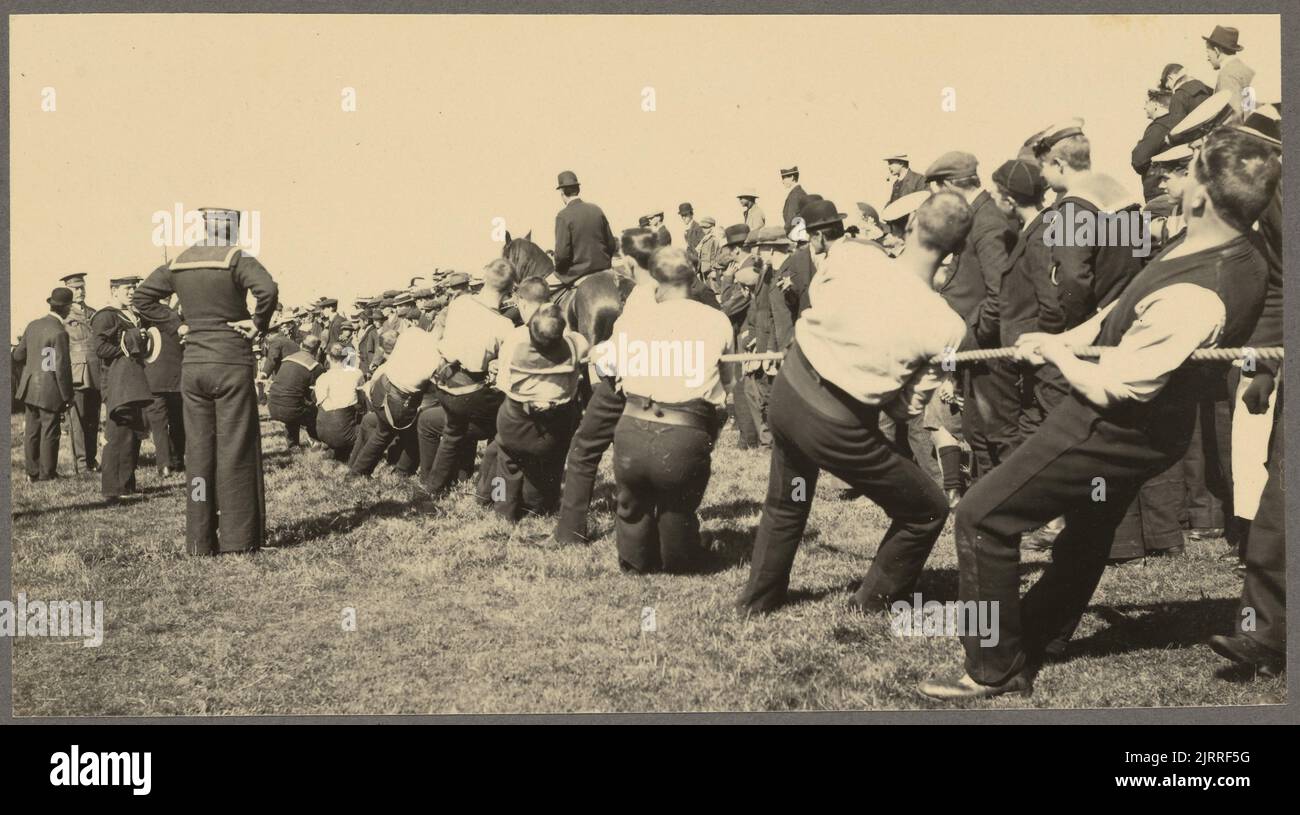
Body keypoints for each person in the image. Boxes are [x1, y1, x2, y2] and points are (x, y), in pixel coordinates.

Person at [920, 127, 1280, 700]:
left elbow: (1120, 387)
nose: (1173, 179)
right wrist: (1065, 336)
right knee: (1087, 532)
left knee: (983, 518)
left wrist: (1061, 352)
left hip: (1110, 425)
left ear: (1200, 196)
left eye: (1186, 171)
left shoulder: (1204, 290)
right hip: (1137, 424)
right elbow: (1125, 305)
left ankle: (994, 667)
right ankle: (1042, 633)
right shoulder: (1211, 242)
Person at [738, 192, 971, 614]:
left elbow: (816, 307)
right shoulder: (948, 327)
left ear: (912, 223)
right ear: (957, 250)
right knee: (928, 510)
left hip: (790, 390)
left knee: (785, 501)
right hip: (836, 420)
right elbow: (906, 410)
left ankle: (756, 603)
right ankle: (870, 606)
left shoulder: (850, 257)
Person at [133, 206, 279, 555]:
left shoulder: (180, 261)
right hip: (230, 361)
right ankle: (238, 538)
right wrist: (257, 323)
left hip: (194, 364)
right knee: (235, 448)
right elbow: (268, 290)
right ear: (231, 229)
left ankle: (199, 541)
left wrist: (176, 325)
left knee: (198, 452)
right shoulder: (236, 258)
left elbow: (141, 297)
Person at [603, 245, 733, 573]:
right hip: (683, 434)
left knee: (631, 506)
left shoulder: (632, 320)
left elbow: (610, 368)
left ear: (656, 282)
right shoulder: (717, 320)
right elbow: (730, 381)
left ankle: (636, 561)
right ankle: (679, 559)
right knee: (678, 506)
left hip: (631, 429)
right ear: (693, 279)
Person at [925, 150, 1018, 480]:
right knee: (977, 433)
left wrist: (972, 337)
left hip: (986, 349)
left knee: (997, 434)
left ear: (949, 185)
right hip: (973, 349)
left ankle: (1013, 511)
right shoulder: (975, 219)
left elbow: (1000, 294)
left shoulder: (987, 223)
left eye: (935, 193)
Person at [420, 258, 516, 499]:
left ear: (484, 279)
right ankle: (493, 490)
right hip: (469, 390)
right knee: (505, 422)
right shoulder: (505, 325)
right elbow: (503, 370)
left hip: (444, 382)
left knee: (453, 430)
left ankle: (435, 487)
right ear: (509, 290)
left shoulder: (460, 303)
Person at [491, 291, 589, 523]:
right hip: (554, 431)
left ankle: (502, 508)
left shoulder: (516, 346)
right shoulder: (575, 347)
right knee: (549, 464)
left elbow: (502, 385)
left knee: (505, 461)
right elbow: (582, 342)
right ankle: (539, 507)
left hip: (515, 427)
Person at [93, 276, 156, 501]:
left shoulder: (133, 314)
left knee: (132, 433)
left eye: (134, 288)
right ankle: (112, 489)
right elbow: (100, 348)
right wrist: (127, 346)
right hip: (117, 381)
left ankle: (127, 484)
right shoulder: (106, 315)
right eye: (127, 288)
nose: (132, 292)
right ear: (114, 290)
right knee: (118, 433)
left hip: (134, 379)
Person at [13, 287, 75, 482]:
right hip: (49, 389)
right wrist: (68, 396)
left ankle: (32, 472)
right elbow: (62, 369)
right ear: (66, 308)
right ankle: (47, 473)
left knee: (32, 431)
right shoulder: (59, 332)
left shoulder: (33, 325)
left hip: (29, 387)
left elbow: (17, 355)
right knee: (50, 431)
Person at [60, 272, 102, 472]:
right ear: (68, 290)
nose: (80, 292)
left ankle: (92, 459)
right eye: (76, 288)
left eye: (82, 287)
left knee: (93, 419)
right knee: (77, 420)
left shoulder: (94, 313)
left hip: (95, 371)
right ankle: (82, 462)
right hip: (76, 373)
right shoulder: (63, 317)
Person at [143, 299, 186, 478]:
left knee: (159, 425)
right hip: (177, 379)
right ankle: (178, 461)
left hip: (153, 380)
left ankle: (164, 465)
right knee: (178, 422)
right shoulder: (179, 320)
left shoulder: (145, 319)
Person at [552, 170, 617, 287]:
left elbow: (562, 255)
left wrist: (558, 269)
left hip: (577, 274)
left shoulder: (563, 215)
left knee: (541, 291)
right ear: (578, 189)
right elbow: (611, 244)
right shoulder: (596, 209)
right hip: (605, 269)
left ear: (562, 192)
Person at [267, 334, 323, 448]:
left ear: (301, 345)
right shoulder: (315, 366)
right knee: (312, 410)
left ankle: (293, 444)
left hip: (272, 405)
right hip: (290, 408)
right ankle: (315, 440)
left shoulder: (287, 359)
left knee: (294, 403)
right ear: (317, 350)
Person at [314, 342, 366, 463]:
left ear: (327, 357)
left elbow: (319, 403)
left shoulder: (322, 378)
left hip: (322, 431)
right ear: (347, 357)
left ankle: (335, 447)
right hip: (343, 429)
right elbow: (362, 403)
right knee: (370, 424)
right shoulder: (356, 373)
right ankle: (352, 455)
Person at [1132, 88, 1179, 203]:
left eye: (1146, 103)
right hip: (1175, 192)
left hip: (1159, 195)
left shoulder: (1158, 128)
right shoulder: (1177, 123)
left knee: (1148, 219)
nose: (1144, 107)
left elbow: (1138, 160)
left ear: (1156, 104)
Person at [1203, 24, 1254, 115]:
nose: (1207, 58)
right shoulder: (1248, 71)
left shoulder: (1226, 75)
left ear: (1217, 51)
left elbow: (1233, 116)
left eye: (1208, 52)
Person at [884, 153, 928, 237]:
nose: (889, 167)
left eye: (891, 163)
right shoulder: (896, 183)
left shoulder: (919, 179)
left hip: (913, 231)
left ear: (901, 163)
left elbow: (925, 201)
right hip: (897, 231)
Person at [780, 166, 809, 232]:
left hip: (796, 234)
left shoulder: (795, 195)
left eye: (784, 178)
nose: (782, 181)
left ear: (792, 177)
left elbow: (790, 220)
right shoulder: (799, 192)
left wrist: (786, 233)